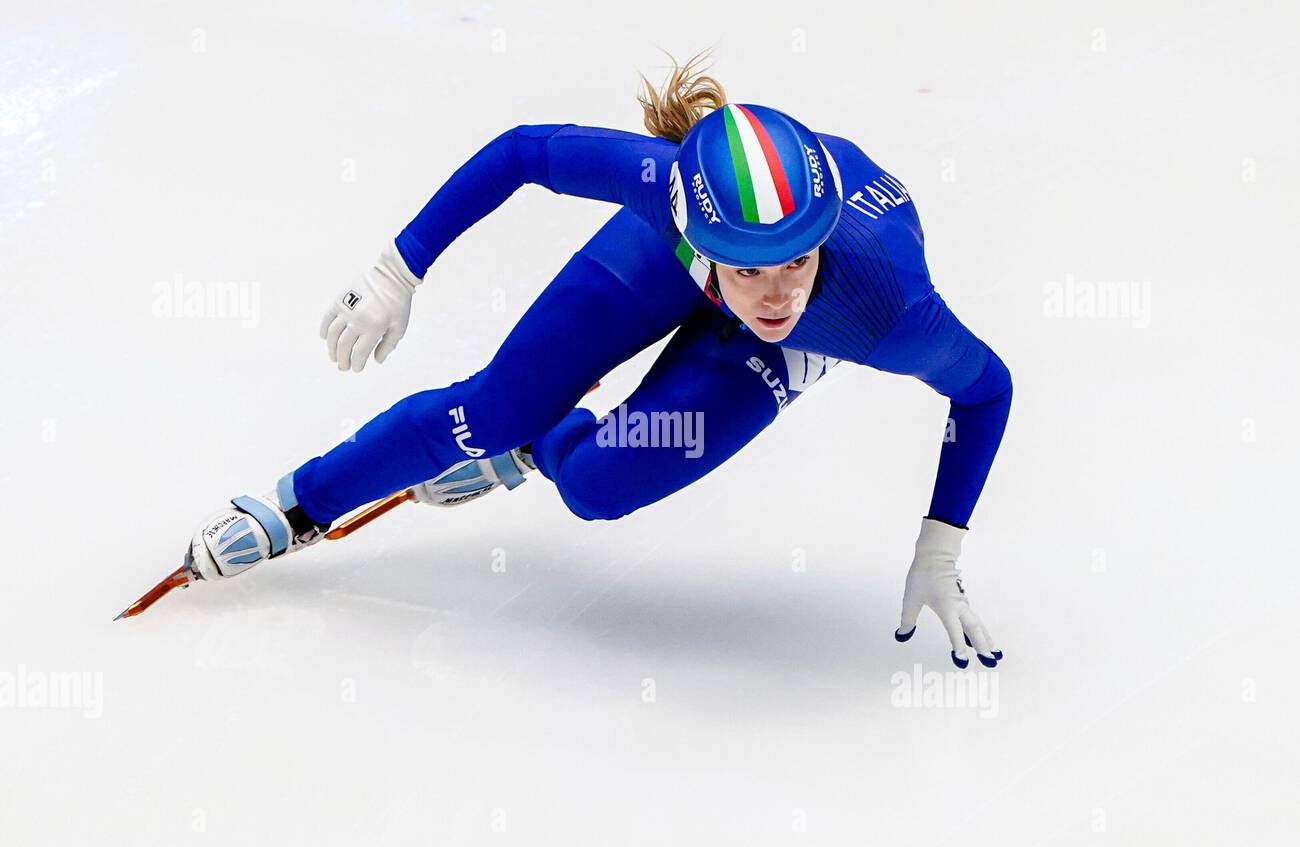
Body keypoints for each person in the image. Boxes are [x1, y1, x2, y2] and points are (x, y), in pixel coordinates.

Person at [184, 51, 1011, 669]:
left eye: (795, 260)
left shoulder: (887, 313)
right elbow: (525, 151)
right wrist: (396, 271)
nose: (774, 294)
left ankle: (535, 451)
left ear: (820, 237)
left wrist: (940, 544)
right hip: (669, 255)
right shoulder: (664, 190)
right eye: (749, 269)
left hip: (822, 332)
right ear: (696, 230)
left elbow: (987, 392)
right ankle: (299, 505)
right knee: (494, 407)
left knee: (598, 486)